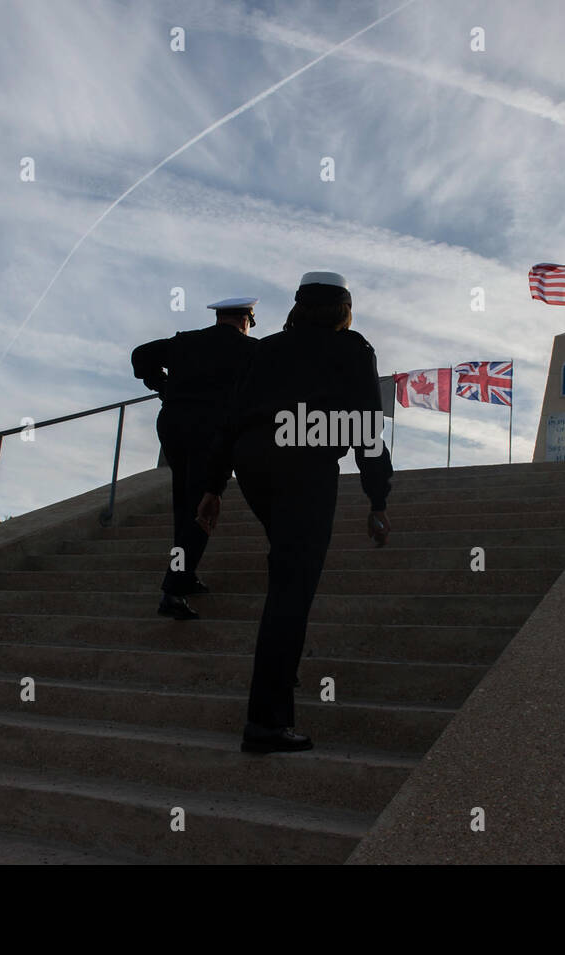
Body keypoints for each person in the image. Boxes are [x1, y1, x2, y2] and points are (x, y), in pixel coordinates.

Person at [196, 271, 392, 754]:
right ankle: (265, 723)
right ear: (344, 309)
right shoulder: (353, 349)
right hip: (307, 460)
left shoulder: (266, 349)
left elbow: (231, 415)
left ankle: (282, 668)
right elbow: (367, 423)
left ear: (299, 306)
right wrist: (378, 497)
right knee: (291, 588)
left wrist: (213, 486)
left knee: (286, 566)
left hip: (253, 462)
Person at [130, 297, 260, 620]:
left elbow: (140, 355)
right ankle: (173, 590)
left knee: (184, 506)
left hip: (173, 426)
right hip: (212, 433)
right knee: (205, 504)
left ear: (219, 318)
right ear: (246, 319)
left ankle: (184, 574)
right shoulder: (250, 350)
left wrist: (162, 386)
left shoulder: (186, 340)